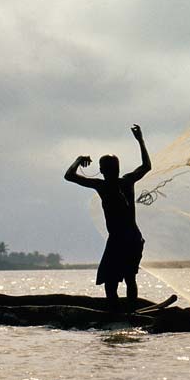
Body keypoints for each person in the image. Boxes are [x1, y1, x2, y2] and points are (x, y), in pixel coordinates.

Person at [64, 124, 151, 312]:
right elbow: (146, 166)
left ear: (103, 170)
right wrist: (140, 141)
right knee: (129, 278)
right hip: (133, 238)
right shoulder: (127, 181)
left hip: (121, 240)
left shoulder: (102, 186)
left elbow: (69, 176)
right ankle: (130, 312)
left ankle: (118, 315)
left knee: (111, 283)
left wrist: (79, 160)